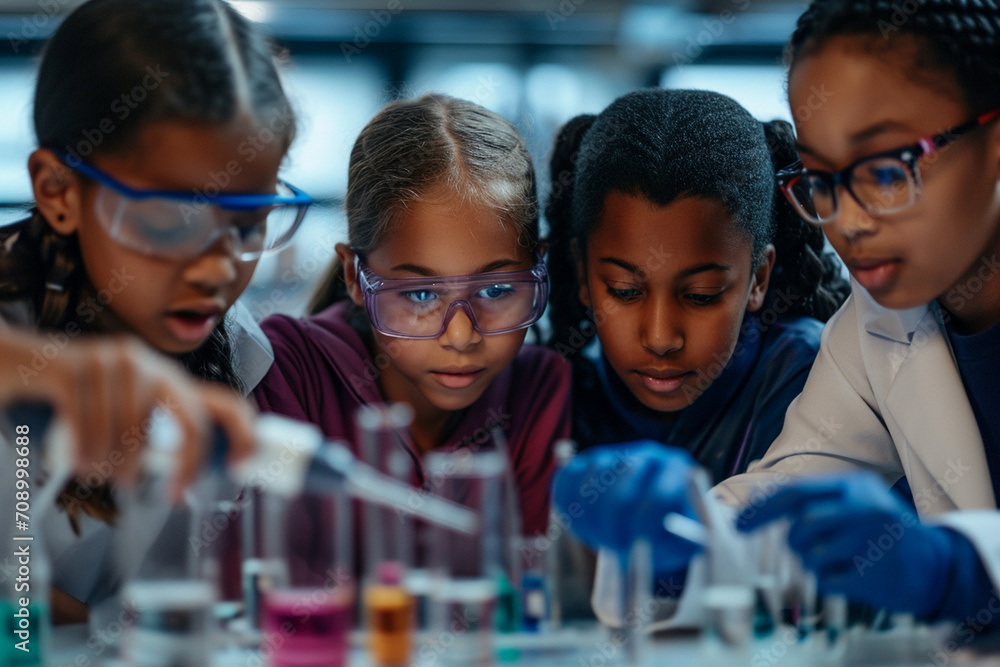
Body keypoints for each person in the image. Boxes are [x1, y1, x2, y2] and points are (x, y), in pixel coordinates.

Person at [554, 0, 1000, 628]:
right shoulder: (873, 332)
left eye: (883, 169)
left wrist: (956, 567)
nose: (848, 221)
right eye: (822, 180)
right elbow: (780, 503)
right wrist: (673, 541)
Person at [0, 0, 308, 621]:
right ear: (59, 191)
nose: (216, 268)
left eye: (248, 223)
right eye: (171, 221)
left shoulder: (240, 349)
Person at [254, 93, 570, 537]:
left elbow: (532, 570)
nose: (461, 337)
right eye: (420, 294)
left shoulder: (537, 389)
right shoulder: (288, 369)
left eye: (496, 290)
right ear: (354, 275)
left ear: (539, 266)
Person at [545, 88, 848, 482]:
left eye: (701, 296)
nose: (660, 339)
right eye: (624, 291)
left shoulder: (811, 380)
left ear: (758, 278)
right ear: (582, 271)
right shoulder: (554, 394)